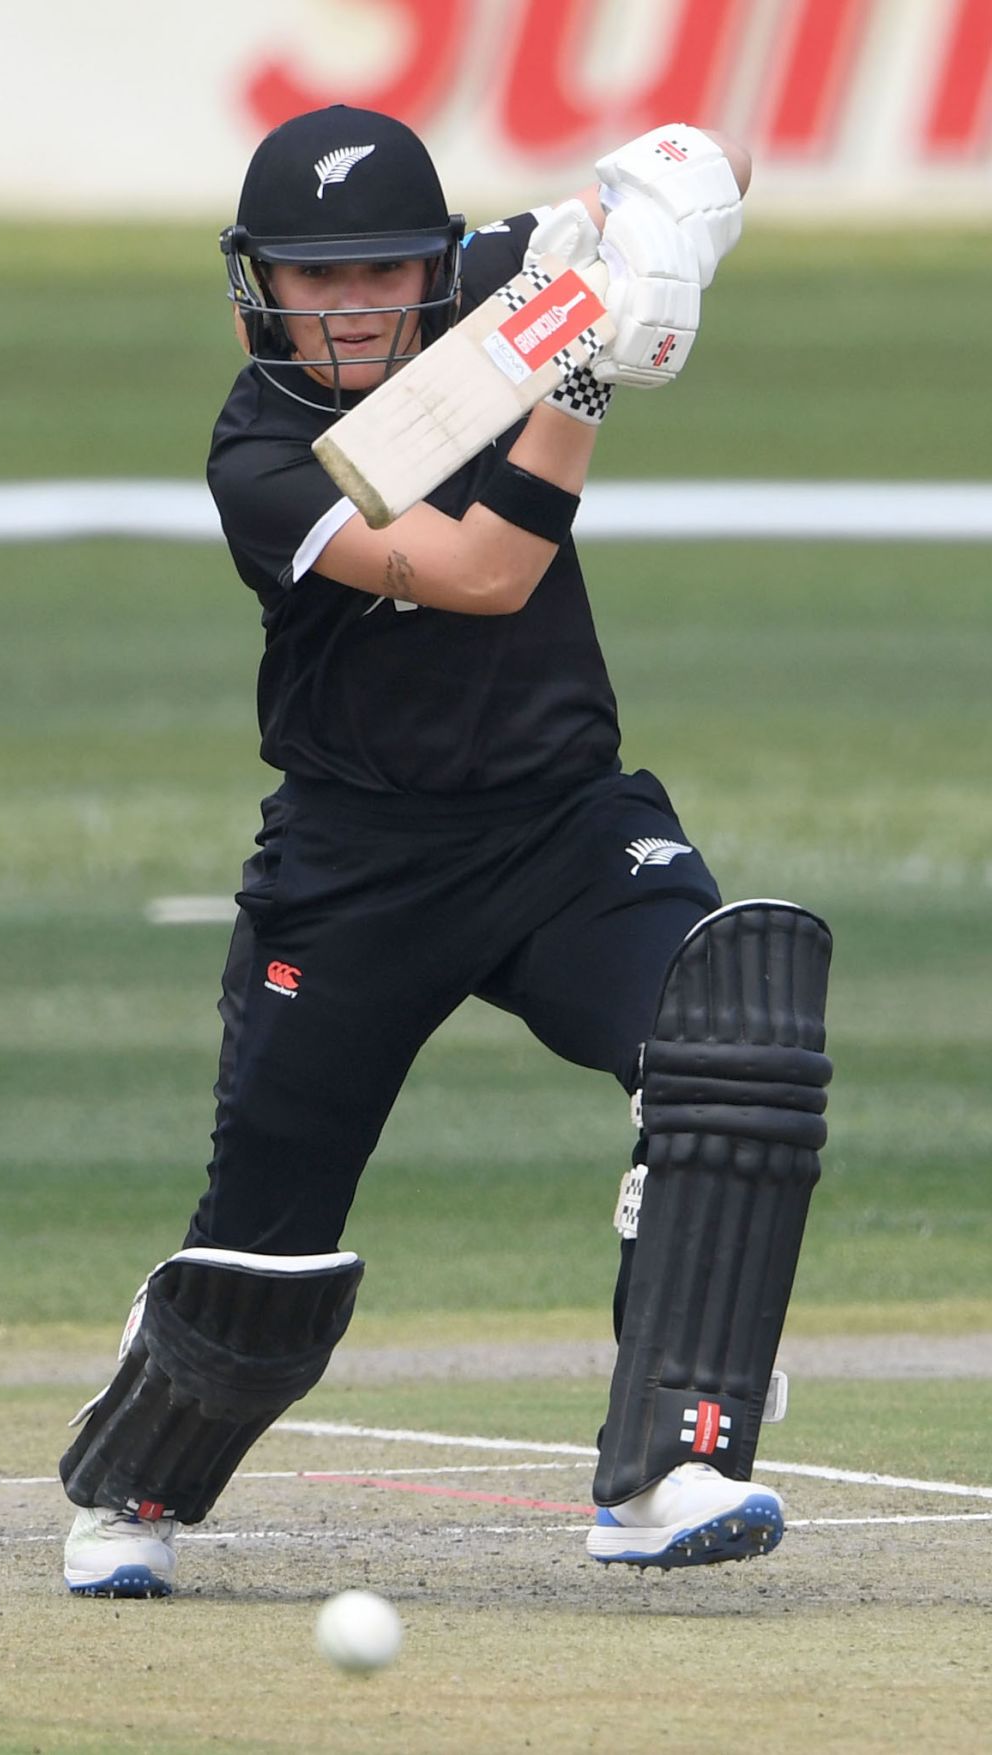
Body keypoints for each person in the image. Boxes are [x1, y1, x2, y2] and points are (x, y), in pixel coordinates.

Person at [59, 105, 832, 1598]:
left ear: (435, 262)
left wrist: (657, 230)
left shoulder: (497, 282)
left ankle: (670, 1465)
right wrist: (582, 373)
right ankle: (135, 1480)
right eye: (313, 278)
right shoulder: (261, 453)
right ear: (259, 285)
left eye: (382, 273)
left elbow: (712, 156)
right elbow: (483, 573)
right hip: (355, 869)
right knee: (269, 1253)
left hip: (563, 827)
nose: (350, 308)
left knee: (733, 1029)